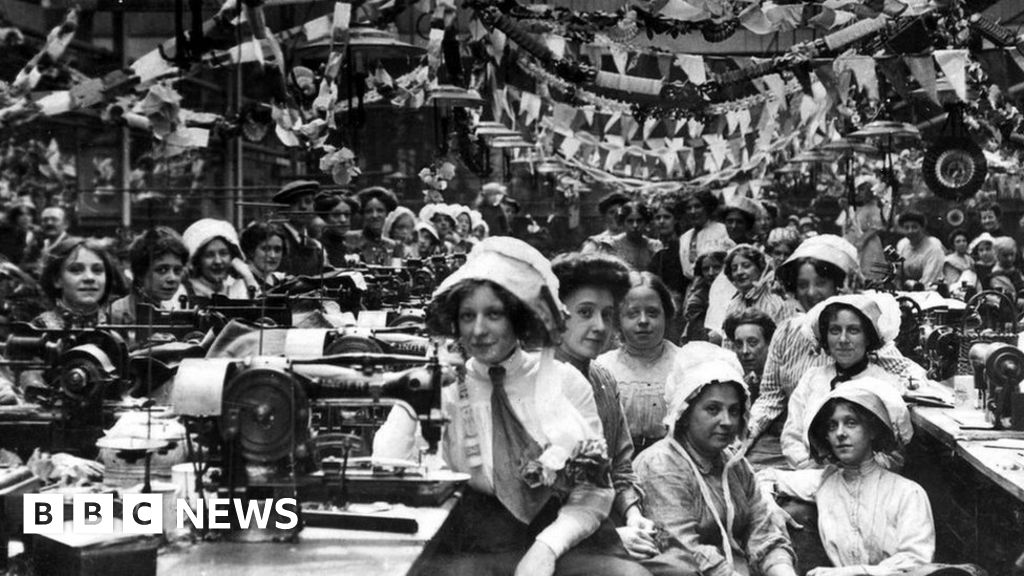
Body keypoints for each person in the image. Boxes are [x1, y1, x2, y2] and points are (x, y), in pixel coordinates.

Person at [409, 236, 651, 576]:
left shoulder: (564, 382)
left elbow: (594, 490)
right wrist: (416, 395)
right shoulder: (446, 388)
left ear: (518, 318)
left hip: (561, 536)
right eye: (467, 316)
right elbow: (393, 463)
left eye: (493, 314)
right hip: (474, 544)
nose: (478, 331)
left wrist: (547, 548)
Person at [745, 235, 924, 471]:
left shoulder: (864, 336)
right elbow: (770, 398)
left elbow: (907, 376)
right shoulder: (786, 332)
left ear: (837, 285)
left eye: (820, 282)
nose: (811, 292)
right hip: (794, 443)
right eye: (802, 285)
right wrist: (747, 431)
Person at [634, 345, 798, 576]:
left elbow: (763, 531)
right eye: (713, 409)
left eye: (733, 411)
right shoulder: (661, 465)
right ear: (685, 413)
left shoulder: (733, 463)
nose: (727, 421)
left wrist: (781, 570)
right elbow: (682, 551)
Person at [760, 382, 934, 575]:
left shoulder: (908, 493)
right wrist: (769, 505)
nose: (840, 433)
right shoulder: (825, 482)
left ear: (872, 430)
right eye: (832, 426)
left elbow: (916, 561)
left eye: (851, 423)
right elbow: (765, 477)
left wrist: (849, 573)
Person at [550, 252, 658, 560]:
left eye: (607, 314)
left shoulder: (603, 379)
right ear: (556, 315)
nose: (599, 326)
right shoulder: (537, 382)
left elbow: (620, 466)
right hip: (557, 536)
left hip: (610, 520)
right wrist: (611, 536)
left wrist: (634, 514)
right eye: (585, 312)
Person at [781, 293, 907, 469]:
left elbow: (895, 454)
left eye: (853, 330)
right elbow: (791, 436)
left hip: (867, 483)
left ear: (868, 337)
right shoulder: (812, 379)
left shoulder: (884, 384)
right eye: (835, 330)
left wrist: (854, 470)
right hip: (814, 475)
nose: (842, 340)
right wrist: (809, 466)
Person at [596, 271, 681, 452]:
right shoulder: (603, 367)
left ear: (666, 315)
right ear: (618, 319)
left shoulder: (684, 363)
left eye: (652, 313)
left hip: (673, 461)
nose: (643, 321)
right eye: (632, 313)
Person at [33, 238, 123, 330]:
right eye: (76, 270)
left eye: (97, 270)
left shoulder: (119, 325)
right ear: (57, 280)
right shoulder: (40, 328)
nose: (89, 278)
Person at [109, 227, 188, 330]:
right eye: (162, 270)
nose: (172, 278)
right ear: (141, 273)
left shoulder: (163, 309)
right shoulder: (119, 314)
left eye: (177, 270)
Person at [182, 218, 254, 300]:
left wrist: (248, 277)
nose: (218, 261)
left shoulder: (237, 289)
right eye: (209, 255)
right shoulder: (184, 291)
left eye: (223, 253)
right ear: (197, 260)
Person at [723, 244, 793, 326]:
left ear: (760, 268)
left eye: (746, 266)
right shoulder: (734, 305)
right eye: (734, 269)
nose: (739, 272)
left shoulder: (775, 302)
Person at [273, 179, 327, 276]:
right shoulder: (276, 240)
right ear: (284, 208)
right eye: (295, 202)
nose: (303, 207)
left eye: (308, 201)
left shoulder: (316, 246)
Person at [838, 175, 887, 282]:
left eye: (863, 190)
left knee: (869, 273)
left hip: (868, 243)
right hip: (856, 243)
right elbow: (849, 225)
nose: (860, 193)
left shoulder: (873, 207)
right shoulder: (858, 208)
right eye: (859, 190)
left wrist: (862, 240)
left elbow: (875, 227)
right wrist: (846, 210)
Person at [678, 190, 734, 281]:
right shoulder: (684, 237)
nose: (693, 211)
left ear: (707, 207)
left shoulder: (722, 230)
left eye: (697, 206)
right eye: (689, 208)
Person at [723, 308, 775, 402]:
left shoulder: (782, 383)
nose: (744, 351)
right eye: (739, 344)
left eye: (752, 343)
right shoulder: (744, 386)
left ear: (769, 343)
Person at [345, 186, 404, 266]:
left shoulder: (393, 246)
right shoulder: (349, 239)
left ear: (386, 213)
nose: (375, 215)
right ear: (363, 214)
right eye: (369, 211)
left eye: (380, 210)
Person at [680, 250, 726, 342]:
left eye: (717, 267)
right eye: (705, 269)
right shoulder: (698, 299)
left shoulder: (737, 293)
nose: (710, 273)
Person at [895, 211, 944, 287]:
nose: (910, 231)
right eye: (906, 228)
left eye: (914, 227)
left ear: (922, 228)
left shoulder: (933, 248)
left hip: (929, 291)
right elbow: (897, 274)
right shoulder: (902, 244)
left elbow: (928, 280)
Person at [313, 192, 359, 268]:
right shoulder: (319, 248)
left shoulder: (353, 247)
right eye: (336, 215)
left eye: (347, 215)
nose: (343, 220)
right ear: (325, 217)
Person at [240, 221, 288, 291]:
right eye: (266, 249)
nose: (273, 255)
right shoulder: (242, 284)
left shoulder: (280, 282)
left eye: (277, 250)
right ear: (251, 251)